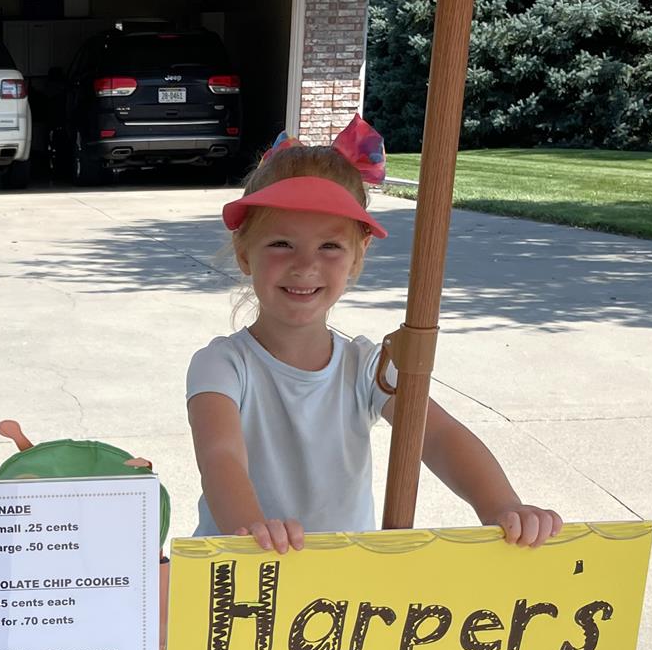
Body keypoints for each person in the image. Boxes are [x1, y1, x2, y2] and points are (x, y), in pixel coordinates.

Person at [189, 140, 562, 552]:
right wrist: (252, 529)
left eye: (330, 246)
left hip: (345, 589)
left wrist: (501, 505)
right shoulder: (221, 366)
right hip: (243, 575)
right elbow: (221, 457)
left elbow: (436, 436)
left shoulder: (368, 366)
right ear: (244, 252)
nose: (305, 264)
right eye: (281, 243)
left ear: (357, 256)